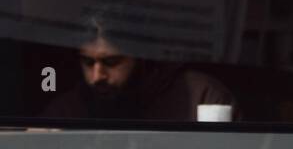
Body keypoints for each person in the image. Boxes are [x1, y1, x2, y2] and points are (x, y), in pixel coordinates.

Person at [42, 16, 239, 121]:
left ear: (142, 58)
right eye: (88, 62)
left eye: (112, 62)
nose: (97, 76)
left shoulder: (201, 98)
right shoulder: (67, 111)